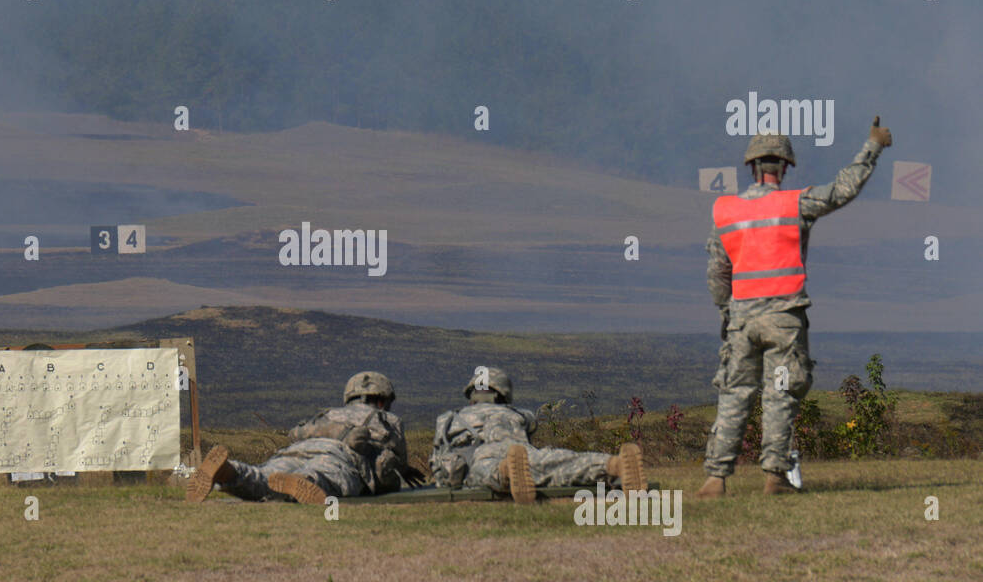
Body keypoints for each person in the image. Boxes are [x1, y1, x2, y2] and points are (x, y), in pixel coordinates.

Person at [698, 117, 893, 497]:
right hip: (784, 323)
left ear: (751, 166)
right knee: (780, 394)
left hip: (741, 322)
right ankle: (775, 476)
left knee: (734, 393)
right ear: (785, 166)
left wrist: (727, 313)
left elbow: (717, 273)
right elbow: (842, 190)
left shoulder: (725, 211)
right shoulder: (796, 203)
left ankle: (715, 478)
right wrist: (873, 145)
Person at [186, 371, 422, 504]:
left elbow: (297, 432)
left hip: (301, 448)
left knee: (265, 476)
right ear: (382, 400)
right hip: (341, 456)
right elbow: (391, 461)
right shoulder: (385, 419)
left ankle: (230, 470)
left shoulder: (329, 414)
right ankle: (302, 482)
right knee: (322, 478)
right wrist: (405, 469)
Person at [431, 366, 646, 505]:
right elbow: (531, 423)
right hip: (520, 450)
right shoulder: (515, 413)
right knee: (558, 463)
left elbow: (439, 457)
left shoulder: (450, 418)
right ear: (503, 393)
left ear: (471, 394)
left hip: (481, 455)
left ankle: (505, 473)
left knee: (484, 471)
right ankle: (611, 465)